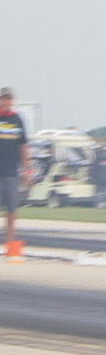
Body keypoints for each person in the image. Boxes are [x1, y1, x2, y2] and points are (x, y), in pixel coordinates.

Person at [0, 88, 28, 248]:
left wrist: (27, 169)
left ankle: (10, 242)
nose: (6, 101)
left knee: (11, 208)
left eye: (9, 99)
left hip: (11, 172)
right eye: (3, 98)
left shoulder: (17, 119)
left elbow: (23, 145)